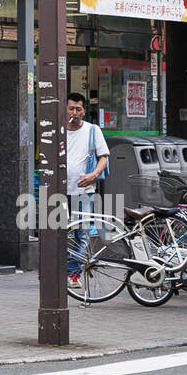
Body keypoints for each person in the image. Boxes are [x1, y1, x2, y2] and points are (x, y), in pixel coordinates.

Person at [65, 92, 110, 286]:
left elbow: (104, 157)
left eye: (78, 109)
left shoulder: (93, 130)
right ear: (65, 109)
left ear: (83, 111)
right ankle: (57, 270)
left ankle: (72, 274)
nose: (75, 112)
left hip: (84, 191)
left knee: (81, 233)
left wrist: (93, 175)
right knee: (53, 231)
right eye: (71, 108)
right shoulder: (56, 130)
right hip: (57, 191)